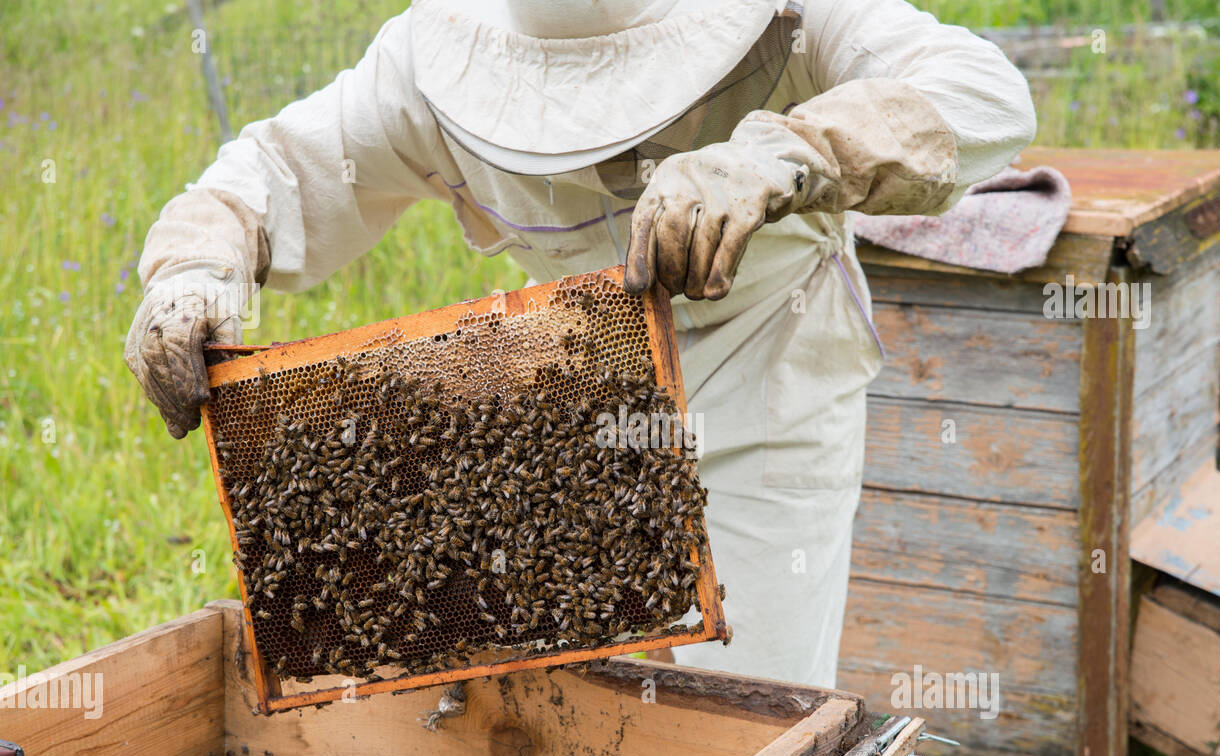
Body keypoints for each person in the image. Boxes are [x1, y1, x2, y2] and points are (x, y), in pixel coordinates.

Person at [124, 0, 1035, 688]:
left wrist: (779, 156)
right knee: (552, 718)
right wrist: (195, 264)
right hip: (568, 392)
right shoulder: (432, 57)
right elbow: (278, 167)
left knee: (747, 726)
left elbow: (980, 92)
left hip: (766, 370)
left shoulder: (796, 16)